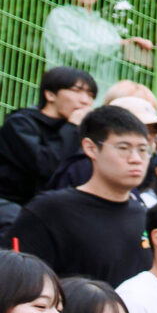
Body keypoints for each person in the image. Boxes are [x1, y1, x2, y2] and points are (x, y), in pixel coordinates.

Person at [11, 102, 152, 285]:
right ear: (91, 148)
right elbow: (16, 283)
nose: (136, 159)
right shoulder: (49, 211)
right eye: (123, 148)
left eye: (143, 150)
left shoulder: (146, 217)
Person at [0, 65, 97, 225]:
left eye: (90, 95)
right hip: (11, 208)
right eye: (76, 91)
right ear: (50, 94)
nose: (85, 100)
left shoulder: (79, 132)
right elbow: (46, 166)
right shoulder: (20, 123)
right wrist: (72, 127)